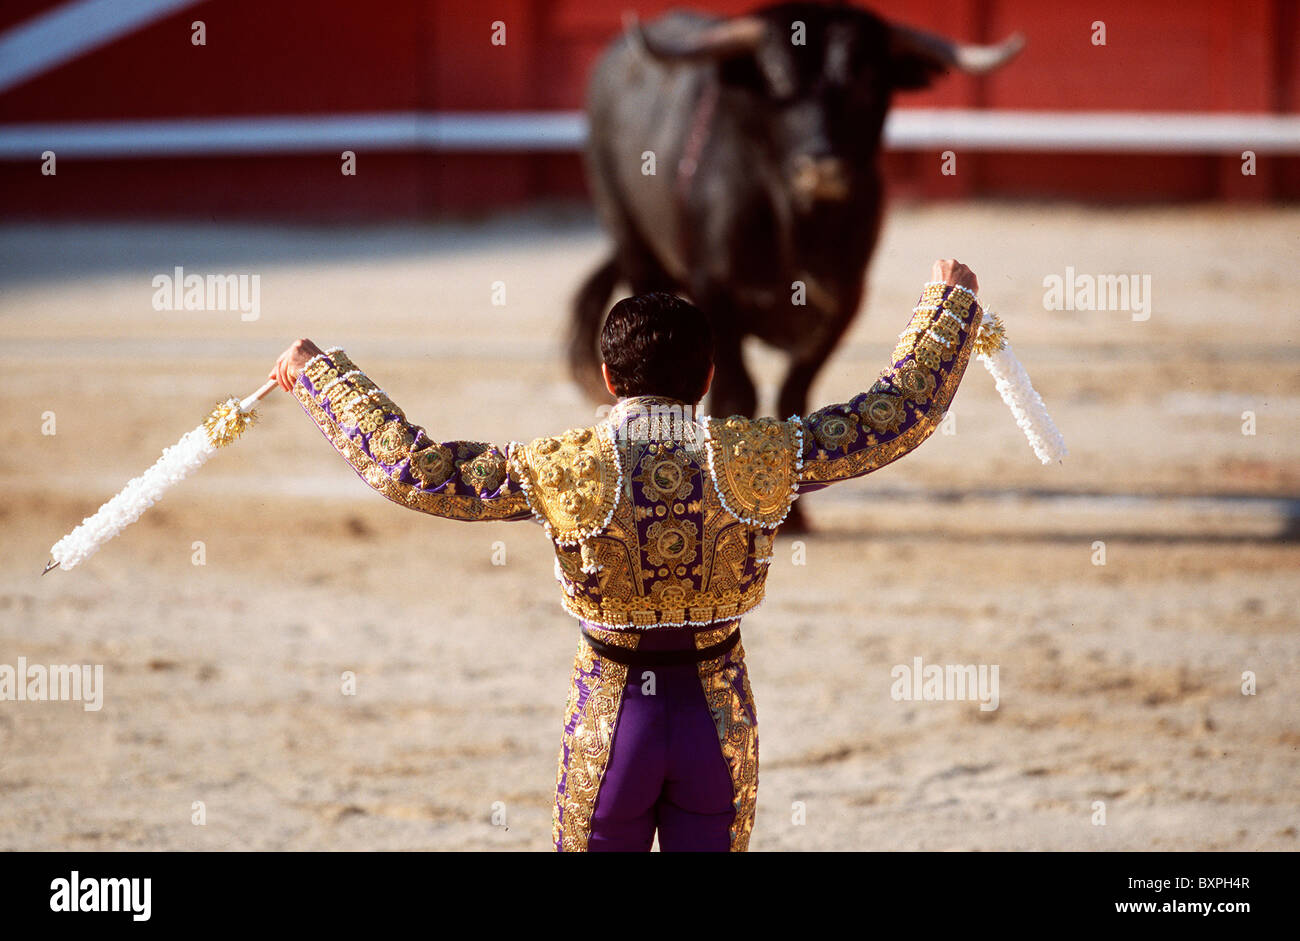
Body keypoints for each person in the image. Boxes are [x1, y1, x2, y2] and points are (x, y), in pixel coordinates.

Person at [270, 259, 983, 851]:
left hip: (612, 719)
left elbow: (418, 470)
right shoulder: (758, 455)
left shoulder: (563, 465)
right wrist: (948, 307)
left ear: (610, 378)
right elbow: (892, 415)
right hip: (719, 713)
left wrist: (319, 375)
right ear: (708, 376)